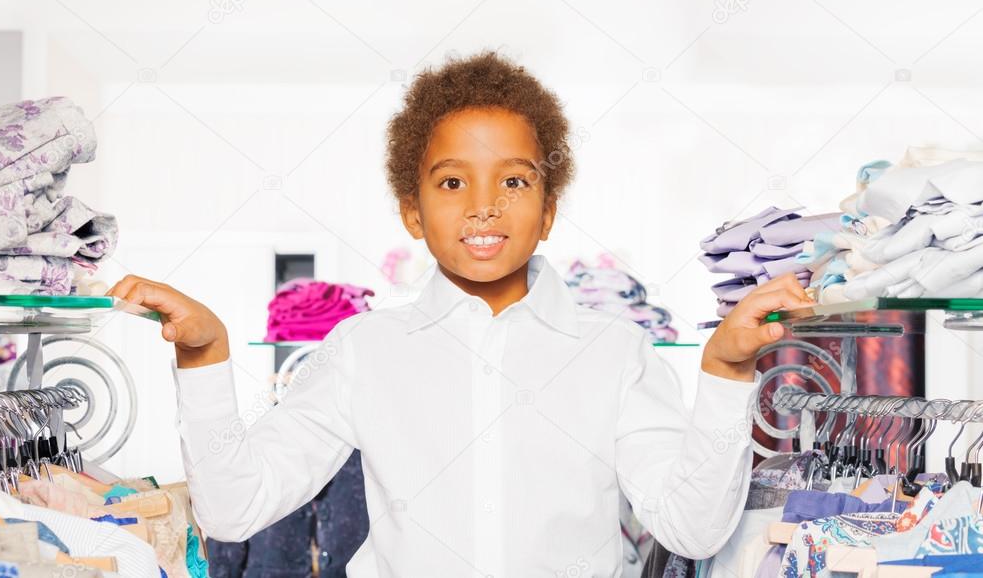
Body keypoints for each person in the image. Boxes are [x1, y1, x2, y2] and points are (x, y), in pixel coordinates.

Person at [108, 52, 813, 577]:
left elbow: (691, 528)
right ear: (413, 212)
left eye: (514, 180)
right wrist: (204, 354)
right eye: (452, 181)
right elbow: (235, 509)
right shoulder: (363, 350)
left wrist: (724, 368)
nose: (483, 205)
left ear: (547, 213)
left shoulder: (614, 353)